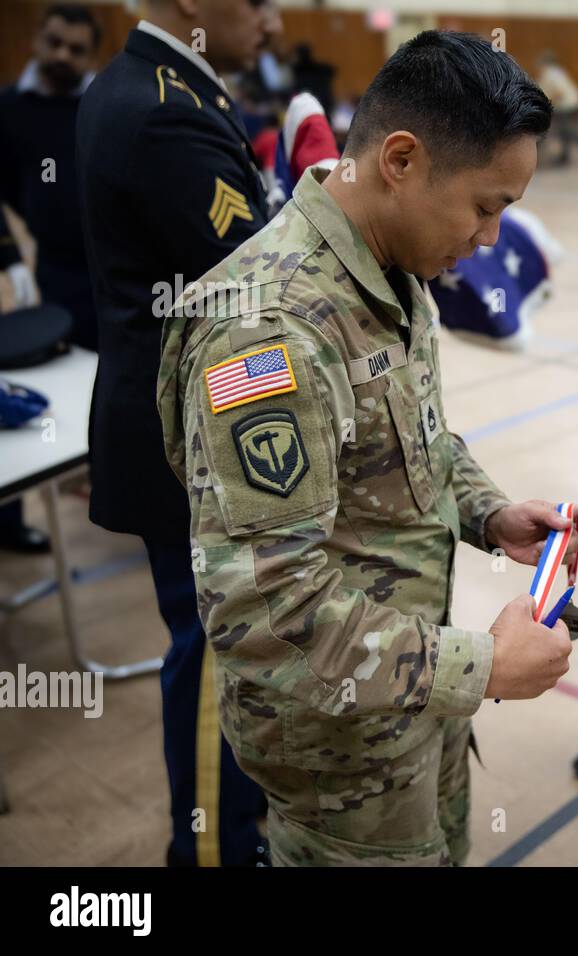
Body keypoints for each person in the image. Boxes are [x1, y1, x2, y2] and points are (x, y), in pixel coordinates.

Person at [157, 29, 578, 866]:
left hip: (412, 693)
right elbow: (267, 613)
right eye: (485, 205)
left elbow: (410, 433)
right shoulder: (269, 332)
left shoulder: (386, 263)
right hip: (339, 748)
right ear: (400, 159)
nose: (493, 237)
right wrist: (484, 665)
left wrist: (487, 511)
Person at [76, 0, 288, 866]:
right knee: (215, 657)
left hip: (183, 416)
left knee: (219, 645)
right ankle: (208, 849)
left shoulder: (156, 84)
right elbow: (263, 274)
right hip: (187, 438)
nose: (273, 23)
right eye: (259, 1)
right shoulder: (163, 106)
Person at [0, 4, 102, 555]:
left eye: (76, 49)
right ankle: (19, 512)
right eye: (55, 43)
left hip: (112, 264)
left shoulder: (102, 103)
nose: (63, 56)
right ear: (38, 38)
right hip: (55, 269)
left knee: (111, 374)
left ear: (91, 54)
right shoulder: (9, 108)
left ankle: (104, 475)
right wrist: (12, 255)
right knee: (50, 376)